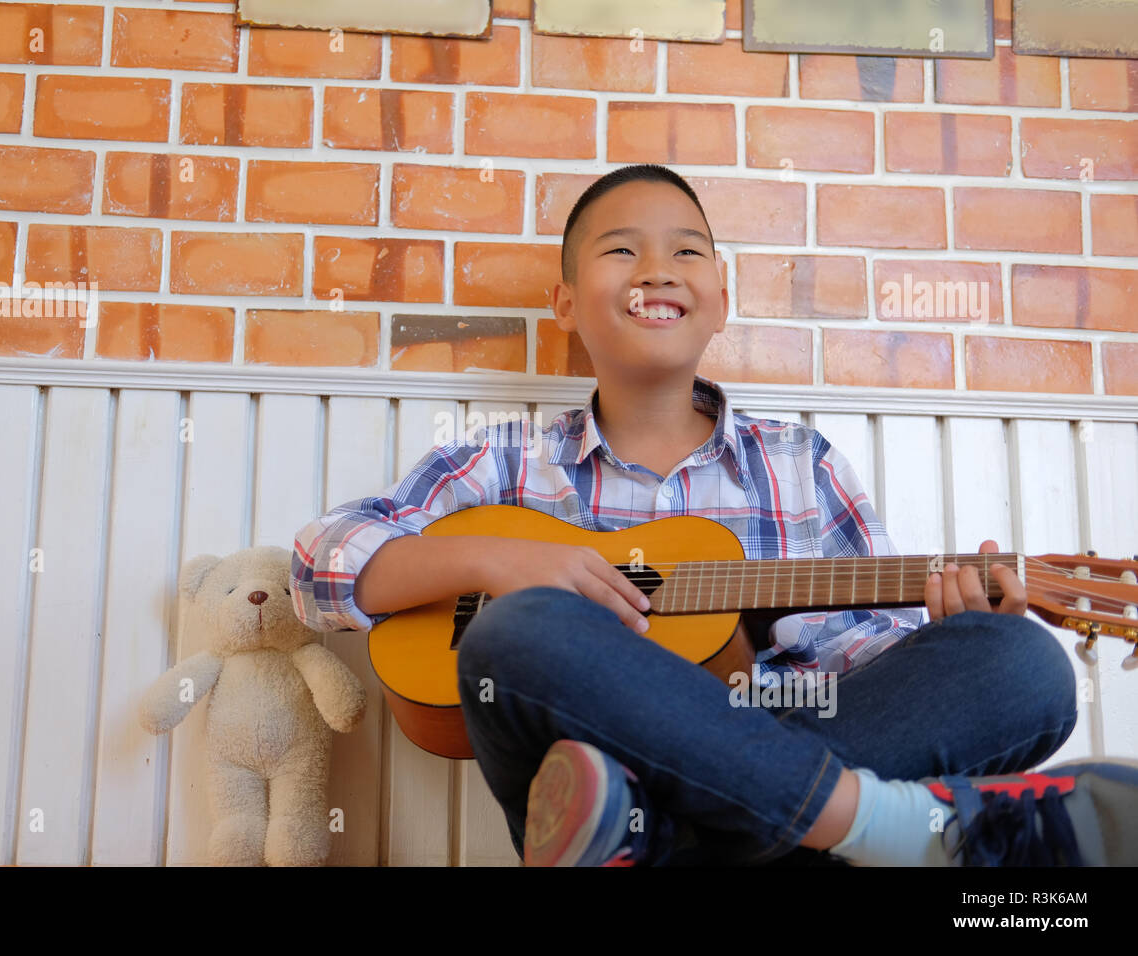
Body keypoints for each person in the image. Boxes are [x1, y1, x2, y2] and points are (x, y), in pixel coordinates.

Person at [290, 163, 1138, 867]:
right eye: (622, 249)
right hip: (602, 758)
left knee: (1022, 665)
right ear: (564, 303)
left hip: (773, 741)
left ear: (721, 299)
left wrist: (950, 630)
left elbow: (865, 653)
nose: (657, 269)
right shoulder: (503, 458)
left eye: (686, 251)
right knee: (517, 633)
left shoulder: (799, 463)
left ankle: (672, 846)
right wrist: (498, 565)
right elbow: (318, 562)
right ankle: (850, 824)